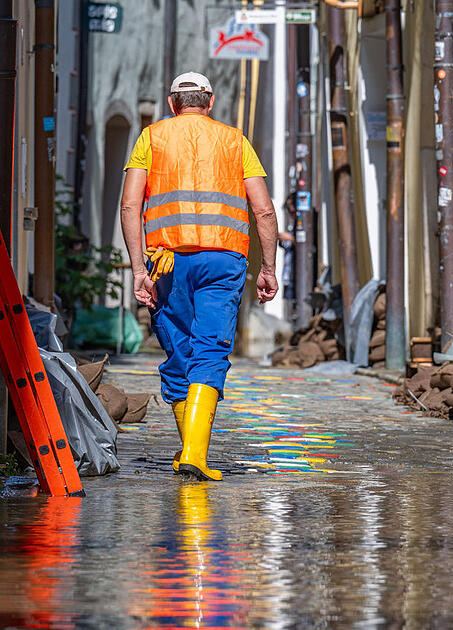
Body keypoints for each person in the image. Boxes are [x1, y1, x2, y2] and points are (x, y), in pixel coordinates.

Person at [118, 71, 279, 481]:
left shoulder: (150, 139)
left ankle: (190, 450)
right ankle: (193, 452)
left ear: (173, 103)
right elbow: (262, 209)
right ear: (210, 102)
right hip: (223, 262)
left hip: (167, 261)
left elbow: (129, 206)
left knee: (178, 353)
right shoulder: (235, 141)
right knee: (210, 349)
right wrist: (268, 268)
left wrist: (138, 270)